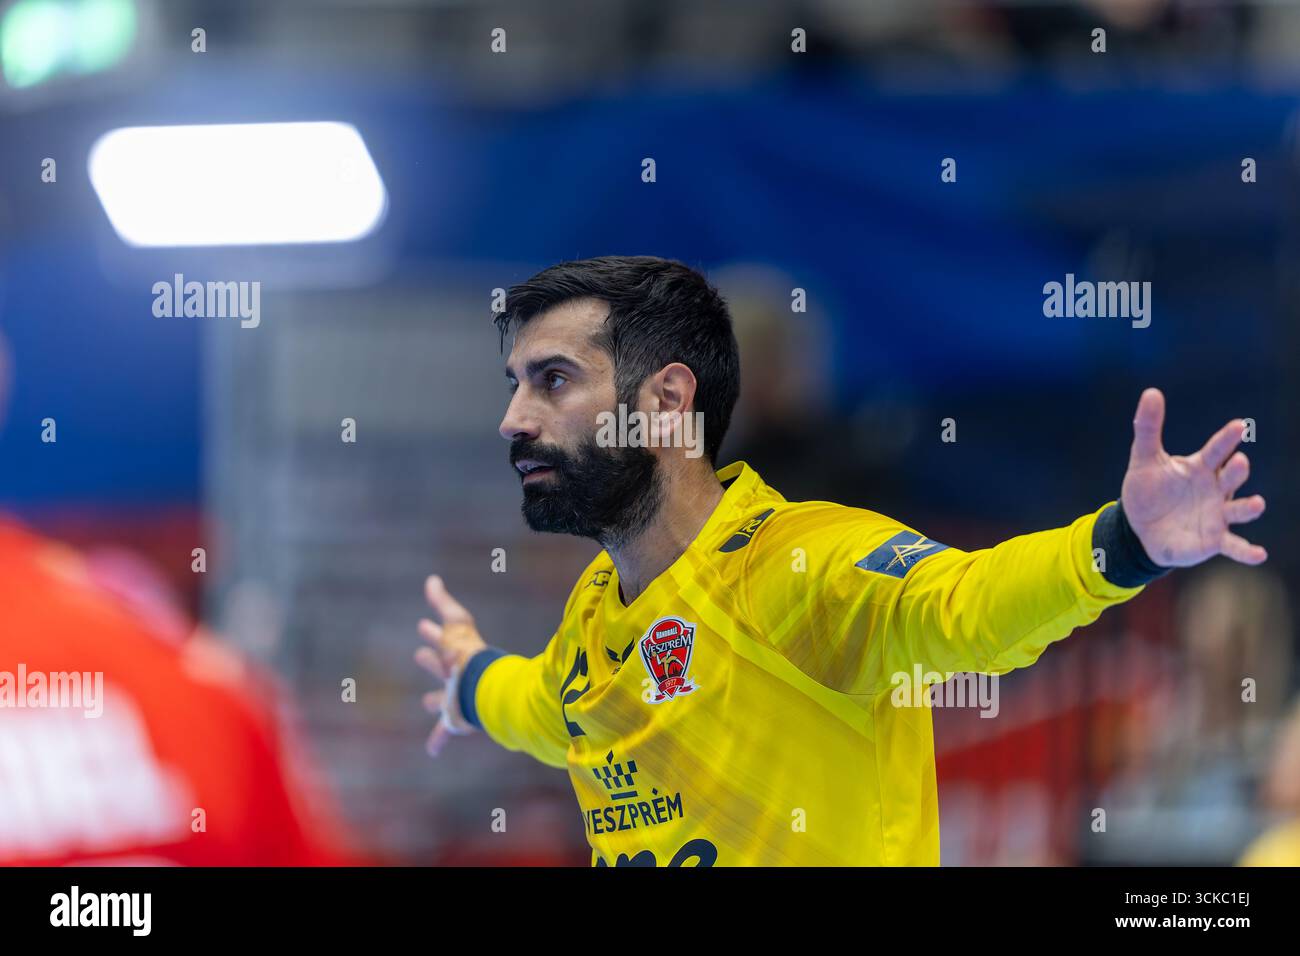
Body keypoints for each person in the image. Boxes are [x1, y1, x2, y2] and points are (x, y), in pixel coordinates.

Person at [413, 255, 1266, 867]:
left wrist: (1124, 544)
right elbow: (542, 708)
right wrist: (468, 680)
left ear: (667, 401)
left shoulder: (800, 565)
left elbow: (964, 606)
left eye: (553, 381)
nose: (514, 418)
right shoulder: (597, 613)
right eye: (515, 385)